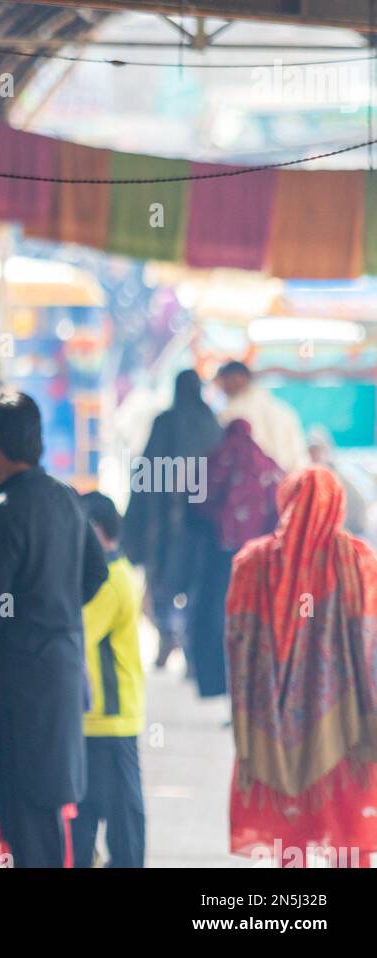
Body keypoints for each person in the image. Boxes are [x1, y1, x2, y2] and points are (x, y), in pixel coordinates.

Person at [0, 390, 109, 868]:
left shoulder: (6, 511)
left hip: (22, 679)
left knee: (25, 815)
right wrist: (56, 608)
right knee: (46, 808)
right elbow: (96, 573)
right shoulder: (66, 498)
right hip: (62, 668)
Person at [227, 467, 377, 867]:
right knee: (347, 836)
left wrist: (248, 724)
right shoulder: (359, 560)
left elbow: (238, 649)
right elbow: (371, 646)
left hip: (277, 729)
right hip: (343, 726)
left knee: (290, 841)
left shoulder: (251, 563)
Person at [124, 369, 223, 668]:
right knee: (195, 583)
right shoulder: (211, 423)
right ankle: (191, 649)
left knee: (162, 580)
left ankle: (168, 635)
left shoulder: (165, 422)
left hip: (163, 523)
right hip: (200, 524)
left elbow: (145, 472)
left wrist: (137, 518)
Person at [71, 492, 146, 869]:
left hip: (107, 718)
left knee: (118, 828)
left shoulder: (109, 581)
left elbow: (75, 634)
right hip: (105, 719)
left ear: (96, 531)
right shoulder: (119, 572)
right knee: (99, 820)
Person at [188, 418, 282, 699]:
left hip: (222, 553)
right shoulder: (266, 463)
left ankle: (221, 680)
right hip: (258, 555)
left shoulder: (218, 460)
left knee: (219, 611)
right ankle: (251, 683)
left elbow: (198, 502)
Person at [214, 360, 308, 474]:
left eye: (224, 381)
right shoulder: (284, 410)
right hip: (284, 483)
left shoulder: (229, 414)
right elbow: (300, 459)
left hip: (250, 486)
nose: (222, 388)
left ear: (238, 378)